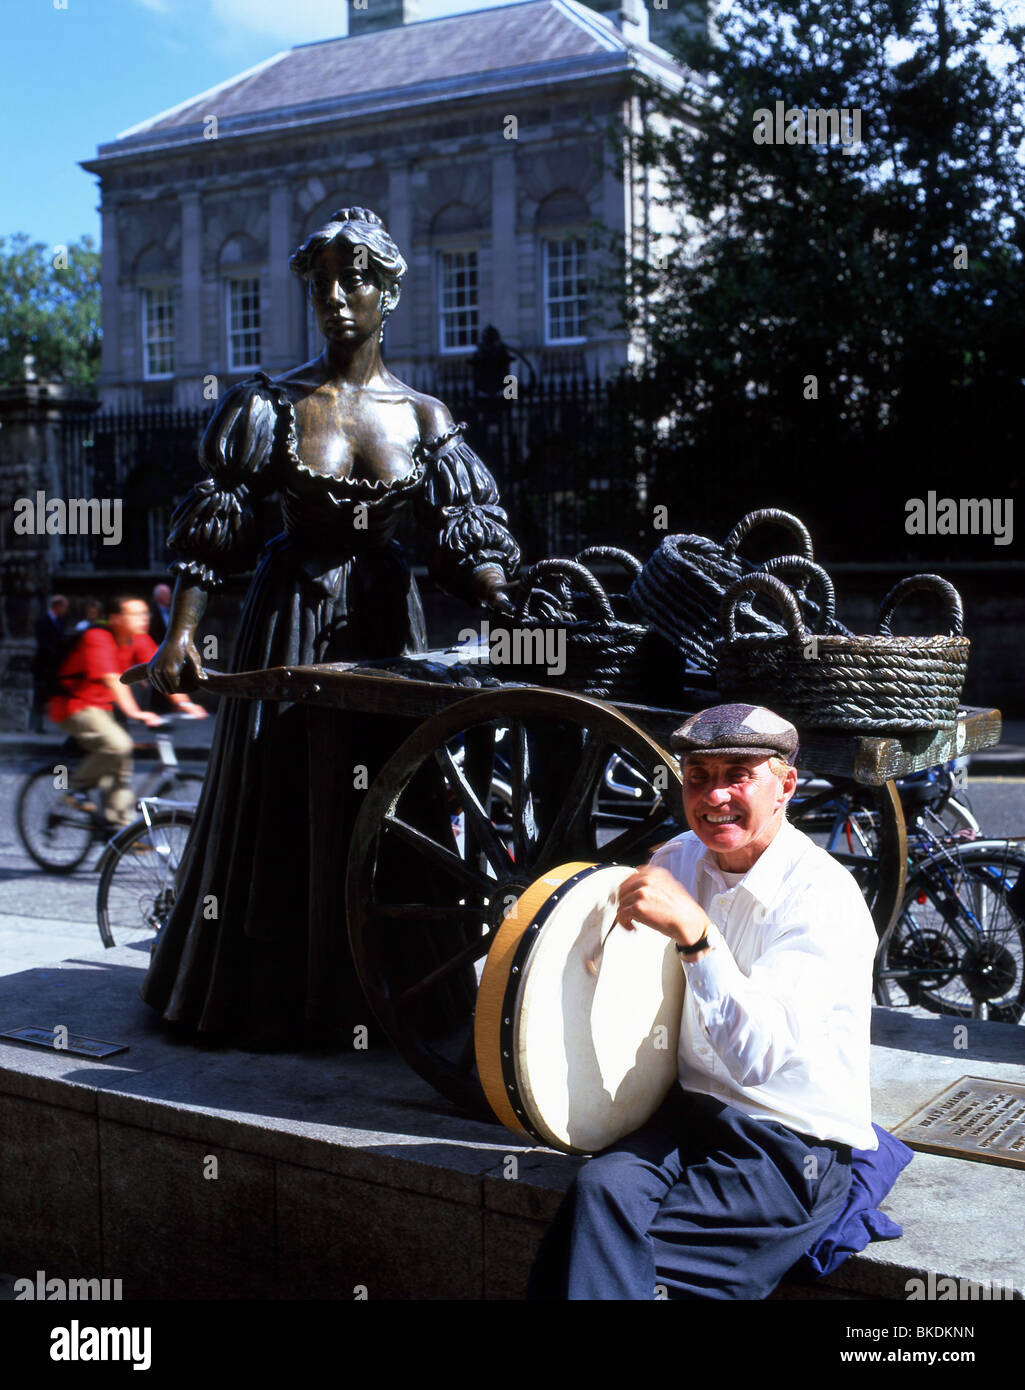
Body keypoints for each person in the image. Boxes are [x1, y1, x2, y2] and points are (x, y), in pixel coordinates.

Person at [141, 206, 520, 1050]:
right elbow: (218, 526)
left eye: (355, 279)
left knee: (389, 799)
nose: (337, 297)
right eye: (321, 282)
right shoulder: (271, 404)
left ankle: (388, 993)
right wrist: (180, 633)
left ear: (389, 292)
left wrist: (500, 594)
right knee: (281, 799)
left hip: (386, 622)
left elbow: (465, 535)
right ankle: (273, 998)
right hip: (289, 619)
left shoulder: (424, 418)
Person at [528, 702, 878, 1300]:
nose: (715, 797)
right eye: (698, 776)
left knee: (637, 1264)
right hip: (685, 1114)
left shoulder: (825, 899)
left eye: (738, 773)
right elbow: (613, 965)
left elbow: (756, 1060)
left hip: (786, 1143)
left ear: (785, 785)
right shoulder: (676, 860)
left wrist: (697, 937)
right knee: (600, 1191)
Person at [48, 597, 206, 826]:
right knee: (118, 745)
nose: (145, 618)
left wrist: (184, 703)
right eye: (136, 614)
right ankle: (75, 789)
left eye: (145, 613)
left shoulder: (139, 639)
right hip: (75, 705)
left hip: (105, 708)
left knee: (121, 767)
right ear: (115, 619)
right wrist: (135, 713)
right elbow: (112, 679)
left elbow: (161, 672)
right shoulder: (97, 637)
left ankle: (120, 828)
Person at [30, 594, 68, 731]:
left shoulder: (60, 621)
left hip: (54, 665)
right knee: (39, 696)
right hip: (43, 665)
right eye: (64, 607)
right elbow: (44, 643)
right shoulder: (42, 621)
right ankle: (35, 725)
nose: (65, 610)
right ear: (58, 606)